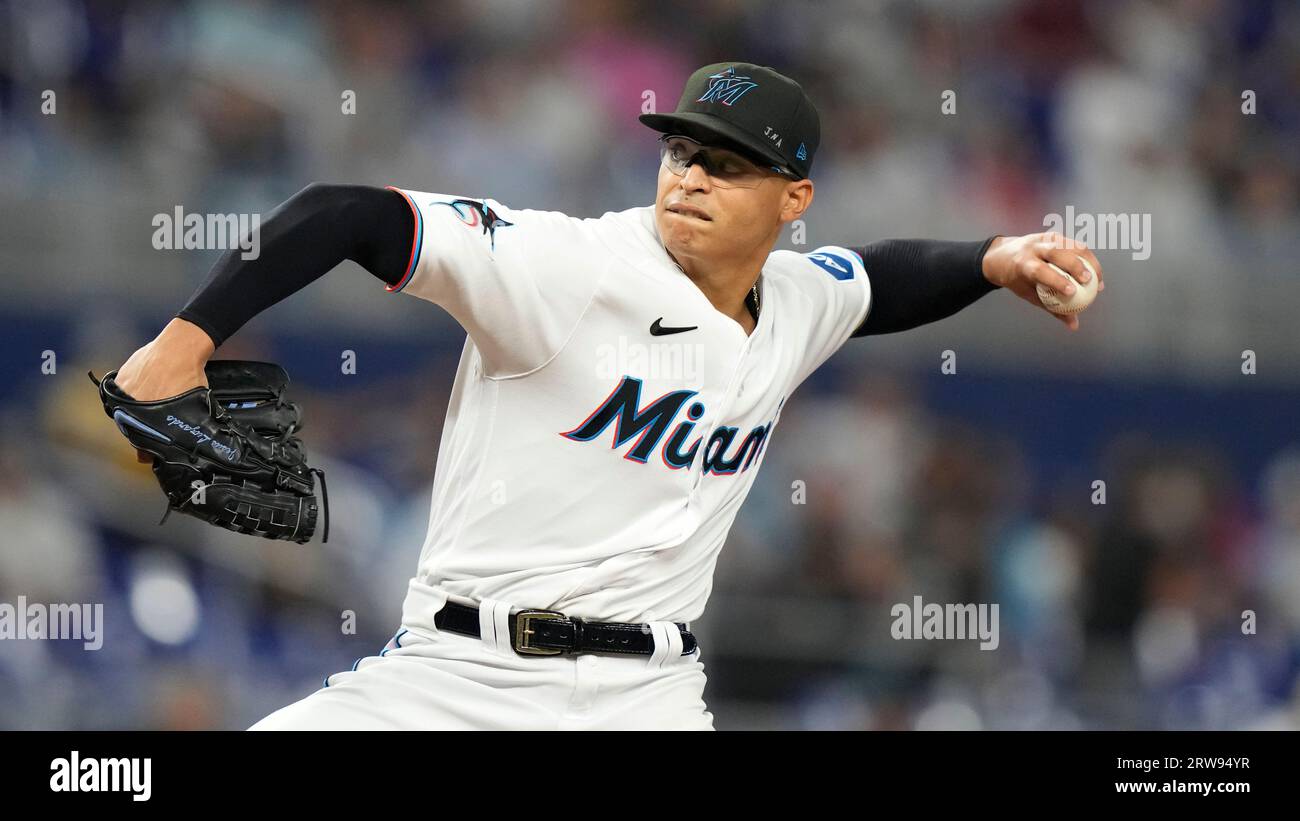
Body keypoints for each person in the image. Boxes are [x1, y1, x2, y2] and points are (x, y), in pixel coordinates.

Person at [111, 62, 1103, 730]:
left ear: (792, 199)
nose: (692, 176)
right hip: (455, 679)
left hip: (648, 695)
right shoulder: (567, 264)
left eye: (728, 163)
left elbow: (882, 279)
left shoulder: (798, 297)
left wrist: (994, 256)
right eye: (682, 151)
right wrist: (185, 338)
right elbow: (343, 214)